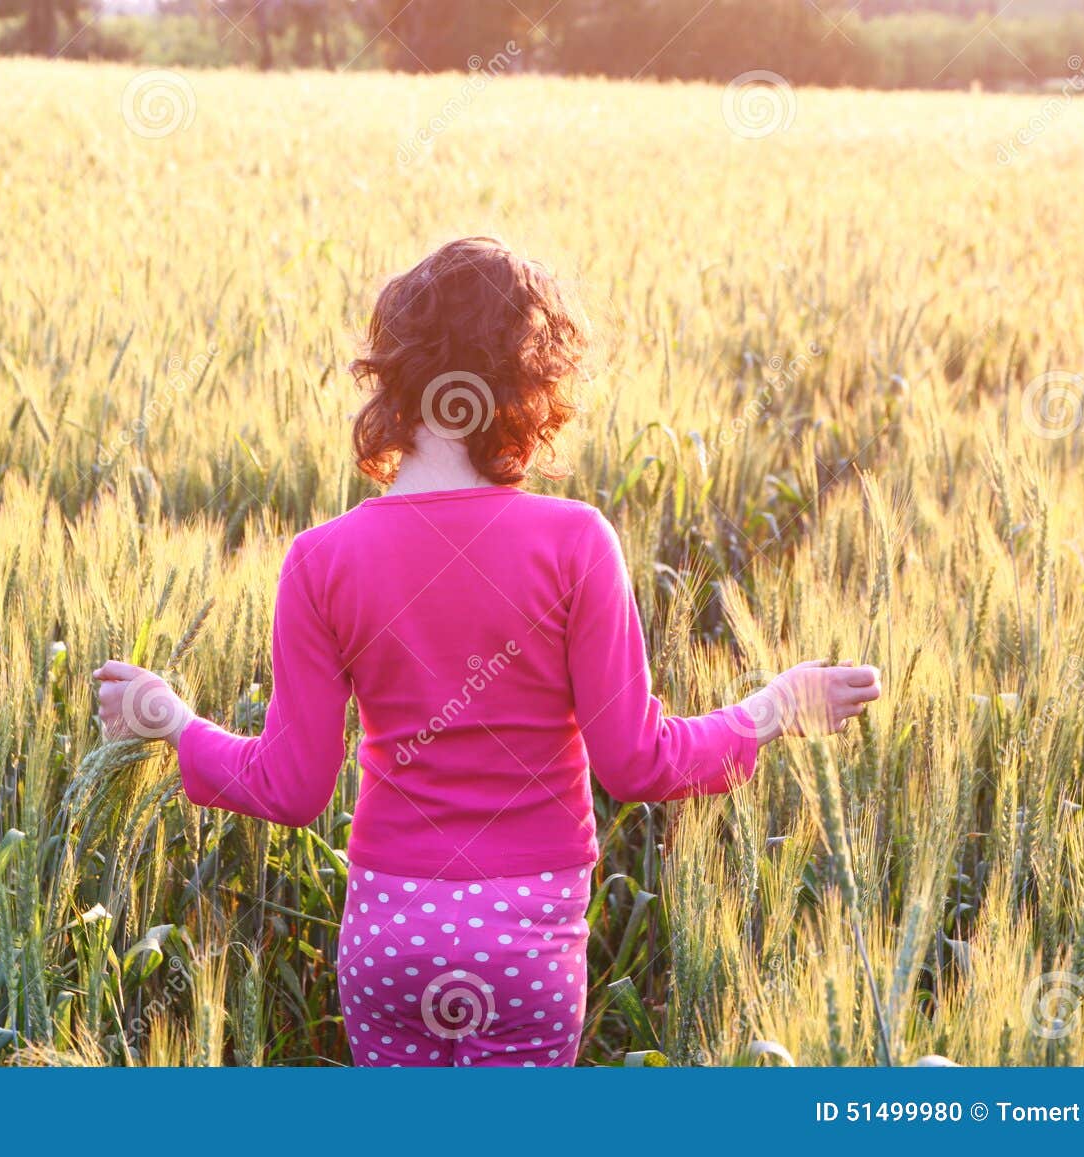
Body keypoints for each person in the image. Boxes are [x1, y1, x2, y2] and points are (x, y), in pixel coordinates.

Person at [93, 236, 881, 1066]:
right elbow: (638, 762)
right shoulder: (575, 542)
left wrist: (176, 721)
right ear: (531, 385)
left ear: (393, 378)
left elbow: (291, 787)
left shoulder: (321, 559)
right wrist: (776, 708)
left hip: (389, 935)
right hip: (527, 943)